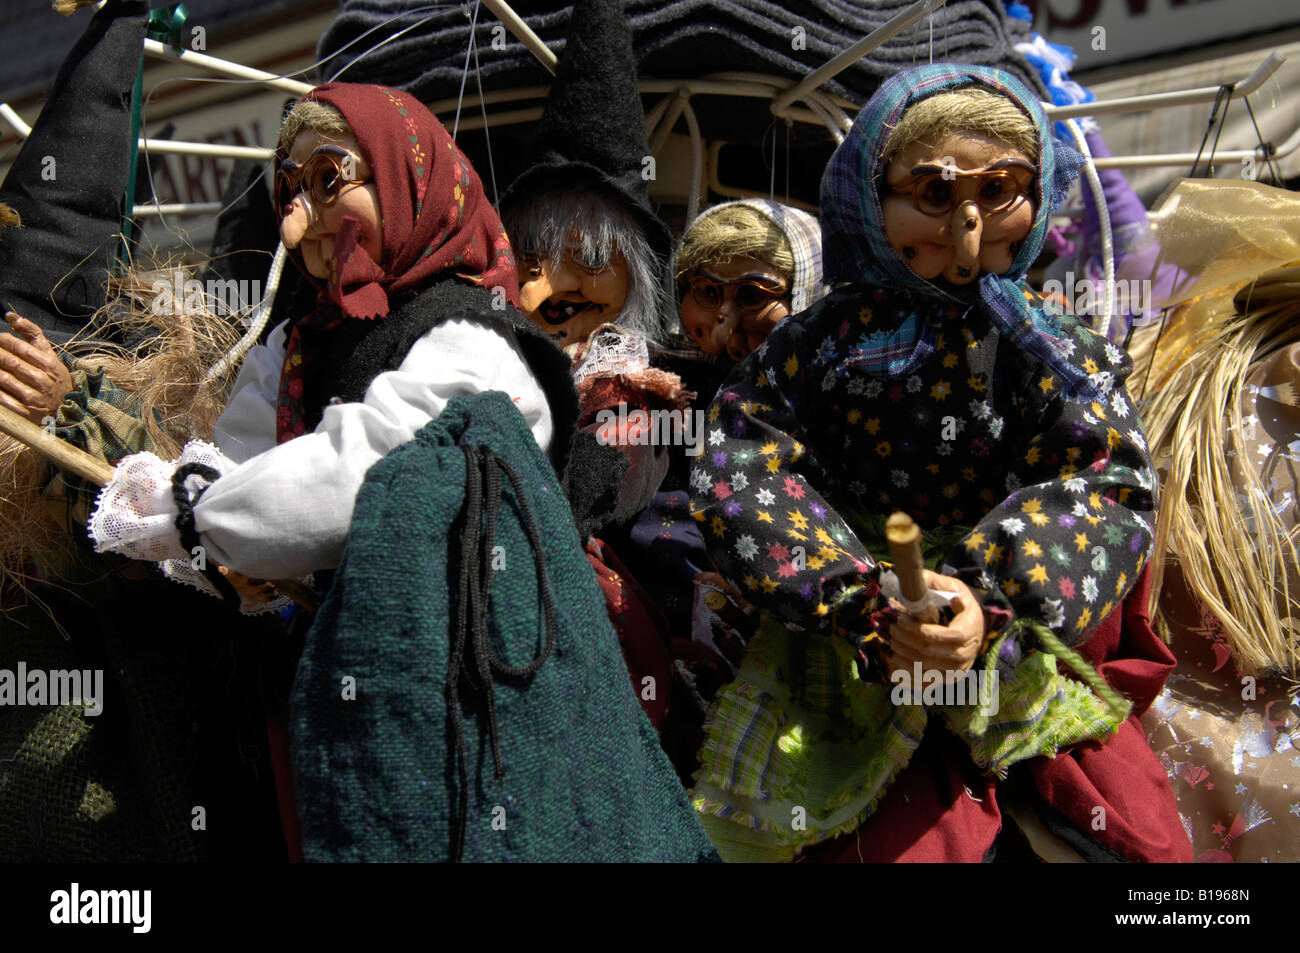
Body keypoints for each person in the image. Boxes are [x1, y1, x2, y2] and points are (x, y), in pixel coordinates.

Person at [688, 64, 1190, 862]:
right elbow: (741, 462)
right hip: (848, 637)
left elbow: (1106, 479)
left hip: (1002, 636)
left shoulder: (1055, 350)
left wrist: (986, 596)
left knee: (1136, 832)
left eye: (999, 193)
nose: (966, 224)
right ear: (870, 197)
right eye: (932, 192)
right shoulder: (818, 347)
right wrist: (856, 596)